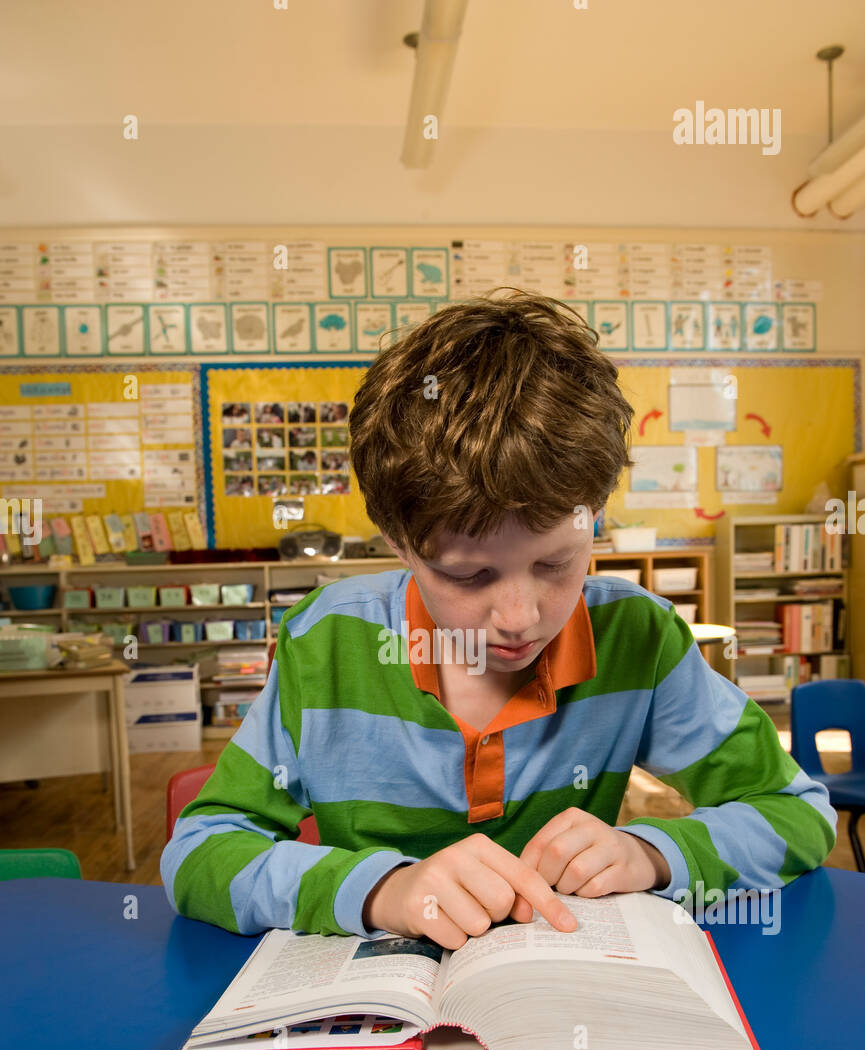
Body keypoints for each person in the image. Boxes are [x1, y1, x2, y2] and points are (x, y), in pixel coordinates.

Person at [161, 290, 836, 947]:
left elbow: (796, 813)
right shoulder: (328, 640)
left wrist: (651, 853)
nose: (519, 618)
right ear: (398, 542)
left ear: (594, 517)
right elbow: (198, 854)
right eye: (467, 574)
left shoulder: (639, 638)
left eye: (556, 564)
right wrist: (383, 891)